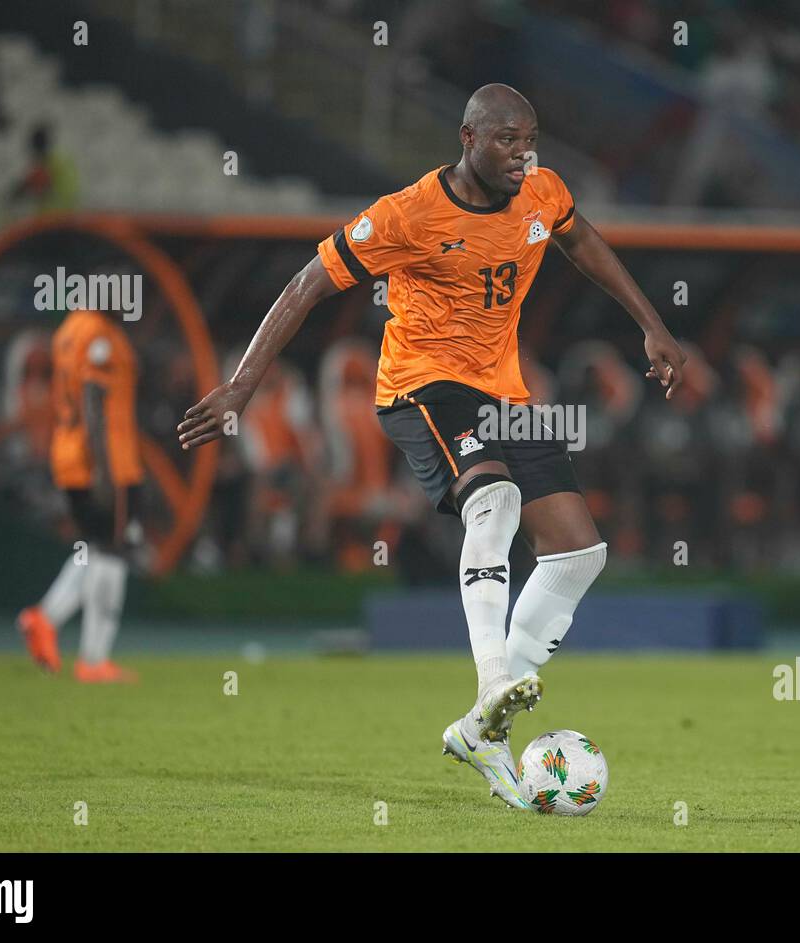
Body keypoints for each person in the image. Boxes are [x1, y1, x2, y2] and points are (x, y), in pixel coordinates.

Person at [178, 84, 686, 808]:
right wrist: (239, 385)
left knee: (579, 551)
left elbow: (581, 241)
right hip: (421, 386)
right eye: (507, 140)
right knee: (498, 501)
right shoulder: (407, 215)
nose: (523, 153)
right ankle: (492, 688)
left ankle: (483, 726)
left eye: (530, 138)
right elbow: (303, 285)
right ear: (468, 137)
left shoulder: (542, 191)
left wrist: (650, 322)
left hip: (503, 391)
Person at [18, 309, 143, 683]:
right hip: (106, 459)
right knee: (115, 549)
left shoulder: (69, 330)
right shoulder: (100, 335)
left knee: (96, 546)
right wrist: (103, 468)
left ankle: (44, 618)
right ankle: (93, 658)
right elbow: (93, 399)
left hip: (68, 454)